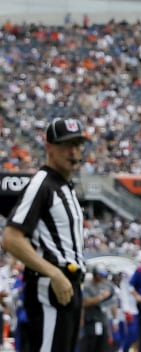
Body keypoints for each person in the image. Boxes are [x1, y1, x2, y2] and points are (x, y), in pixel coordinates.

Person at [1, 118, 90, 352]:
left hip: (67, 286)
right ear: (49, 147)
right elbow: (11, 237)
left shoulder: (64, 186)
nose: (73, 151)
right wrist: (53, 272)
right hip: (50, 286)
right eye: (66, 145)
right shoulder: (42, 183)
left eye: (78, 144)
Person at [80, 266, 115, 352]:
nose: (103, 277)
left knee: (103, 346)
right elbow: (85, 303)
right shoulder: (87, 286)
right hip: (91, 320)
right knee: (90, 345)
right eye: (100, 275)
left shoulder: (105, 284)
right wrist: (100, 297)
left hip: (103, 320)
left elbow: (112, 298)